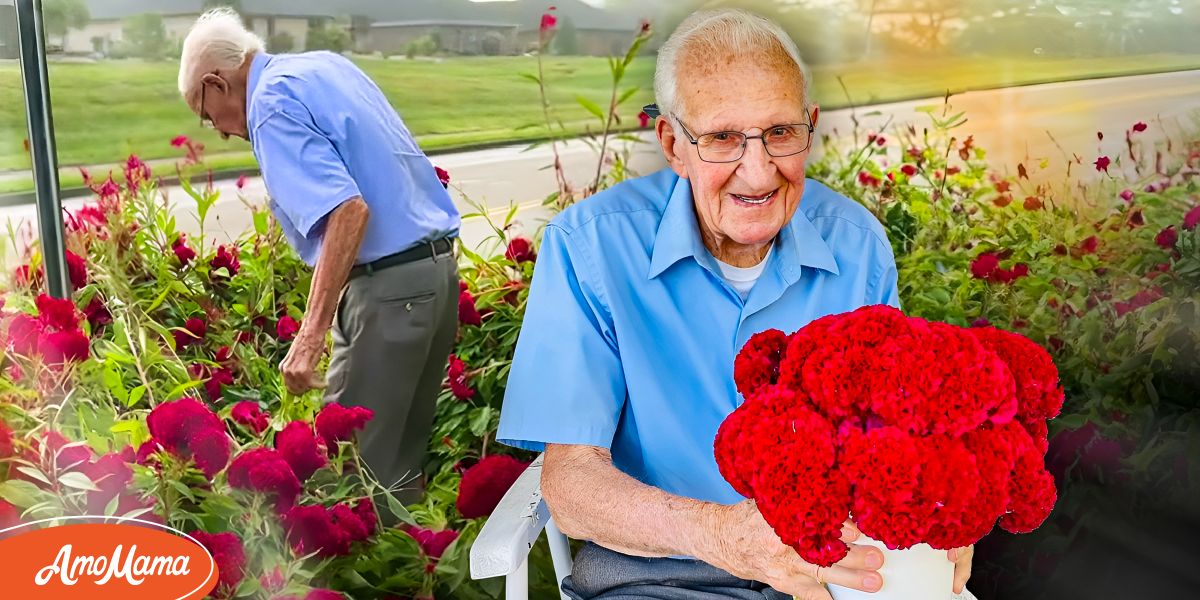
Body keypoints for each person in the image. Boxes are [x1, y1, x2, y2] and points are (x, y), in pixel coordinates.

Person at [497, 9, 974, 600]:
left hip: (836, 569)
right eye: (723, 138)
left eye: (780, 133)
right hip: (660, 575)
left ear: (810, 128)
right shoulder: (589, 247)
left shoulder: (858, 244)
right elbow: (571, 486)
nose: (758, 170)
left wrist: (944, 506)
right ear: (674, 144)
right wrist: (725, 535)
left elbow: (898, 434)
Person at [177, 9, 460, 504]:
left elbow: (347, 210)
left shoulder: (269, 105)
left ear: (215, 82)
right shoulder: (324, 66)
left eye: (205, 114)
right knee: (399, 477)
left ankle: (378, 583)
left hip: (388, 295)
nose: (217, 130)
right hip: (434, 278)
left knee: (349, 484)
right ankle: (416, 581)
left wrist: (309, 337)